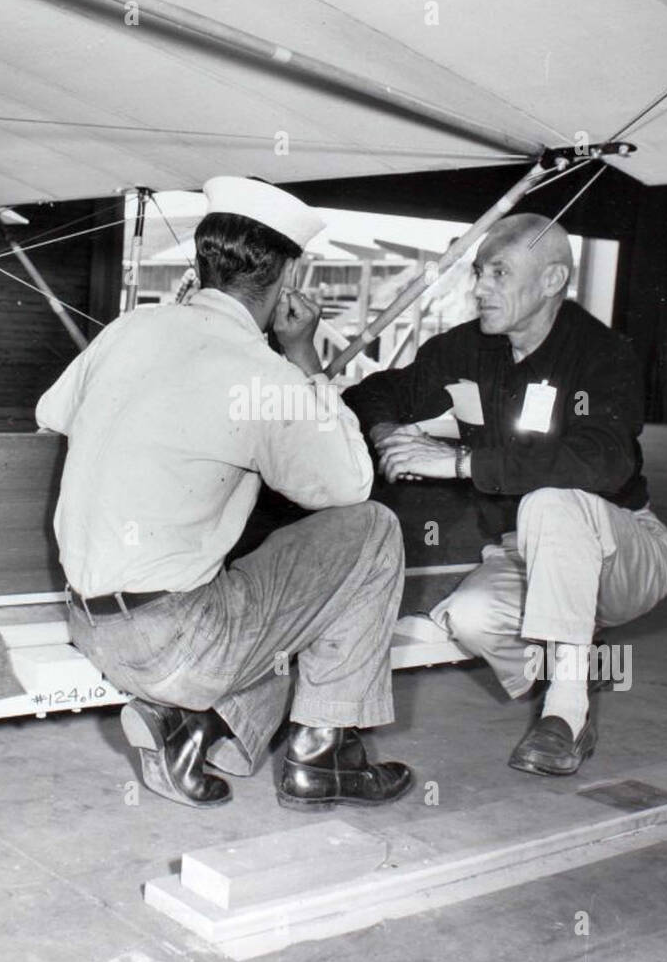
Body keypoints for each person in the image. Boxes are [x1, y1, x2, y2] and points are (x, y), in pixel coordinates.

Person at [36, 176, 411, 810]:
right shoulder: (265, 373)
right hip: (175, 646)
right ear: (289, 275)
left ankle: (194, 727)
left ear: (201, 262)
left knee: (250, 588)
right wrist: (305, 356)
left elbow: (53, 411)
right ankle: (322, 758)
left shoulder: (131, 329)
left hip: (90, 626)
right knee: (372, 532)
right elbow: (350, 485)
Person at [343, 212, 667, 776]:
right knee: (471, 617)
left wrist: (460, 460)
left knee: (551, 499)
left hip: (625, 550)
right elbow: (376, 390)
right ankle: (570, 658)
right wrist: (387, 433)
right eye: (478, 272)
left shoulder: (603, 353)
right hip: (527, 551)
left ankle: (567, 716)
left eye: (498, 273)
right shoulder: (467, 348)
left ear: (551, 281)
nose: (479, 289)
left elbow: (602, 459)